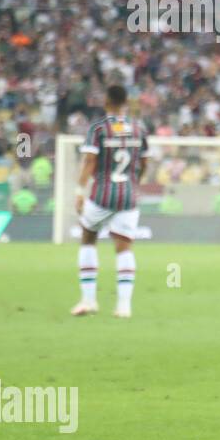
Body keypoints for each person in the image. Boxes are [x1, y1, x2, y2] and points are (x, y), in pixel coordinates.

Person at [72, 85, 149, 319]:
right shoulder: (138, 128)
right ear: (126, 102)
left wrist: (79, 191)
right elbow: (144, 164)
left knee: (88, 238)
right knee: (124, 247)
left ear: (106, 102)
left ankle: (89, 300)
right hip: (129, 195)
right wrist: (134, 184)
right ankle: (124, 306)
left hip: (102, 194)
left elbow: (89, 162)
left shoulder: (98, 129)